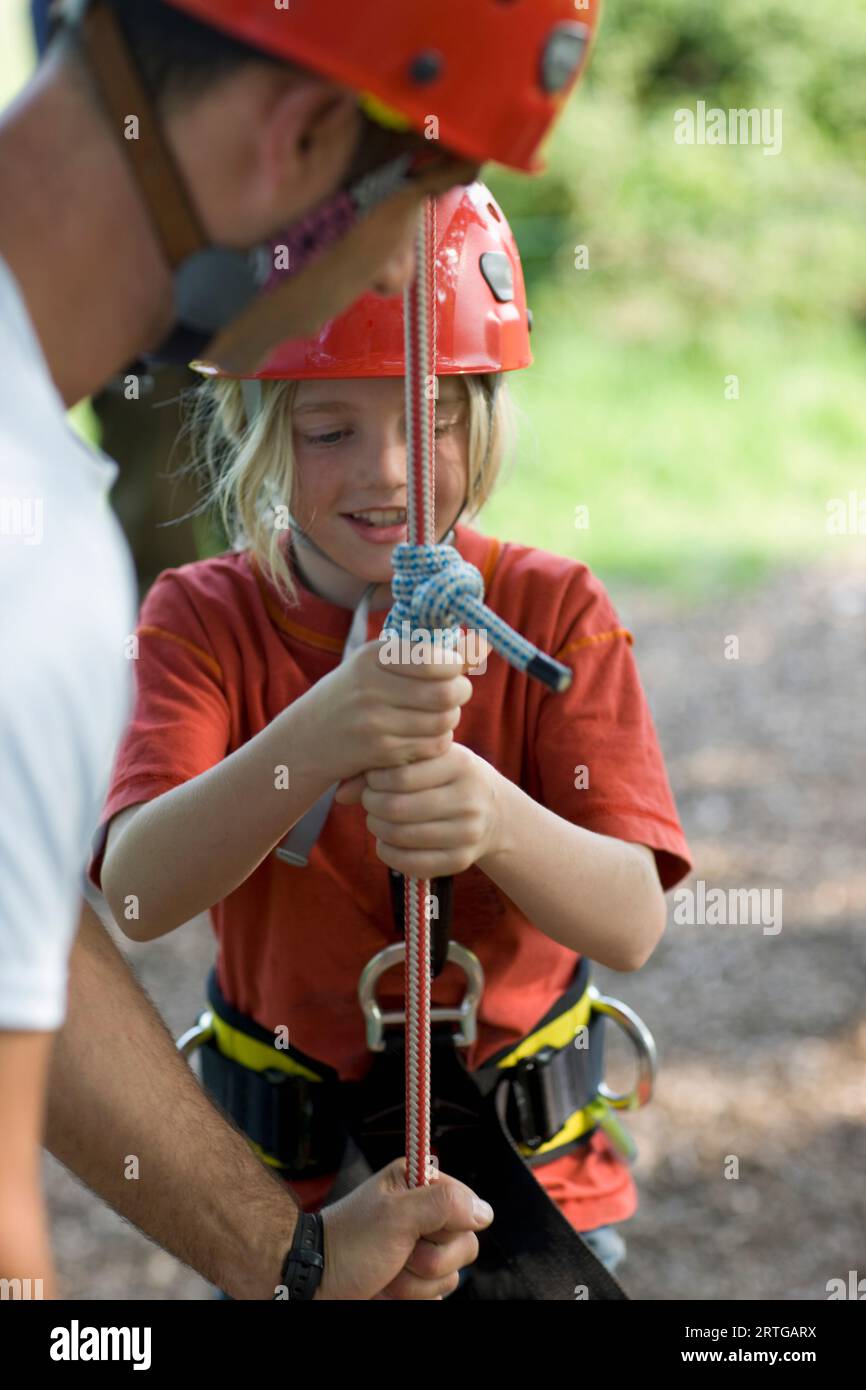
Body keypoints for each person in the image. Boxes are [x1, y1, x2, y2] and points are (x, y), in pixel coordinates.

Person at [0, 0, 600, 1298]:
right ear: (308, 135)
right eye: (414, 208)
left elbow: (35, 930)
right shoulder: (28, 557)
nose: (395, 283)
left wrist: (295, 1260)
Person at [94, 182, 692, 1297]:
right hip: (291, 1216)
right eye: (329, 430)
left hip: (525, 1194)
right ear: (255, 425)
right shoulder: (203, 618)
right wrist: (312, 737)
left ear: (484, 417)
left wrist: (495, 817)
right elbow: (134, 897)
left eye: (432, 423)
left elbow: (631, 918)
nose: (384, 470)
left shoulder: (553, 612)